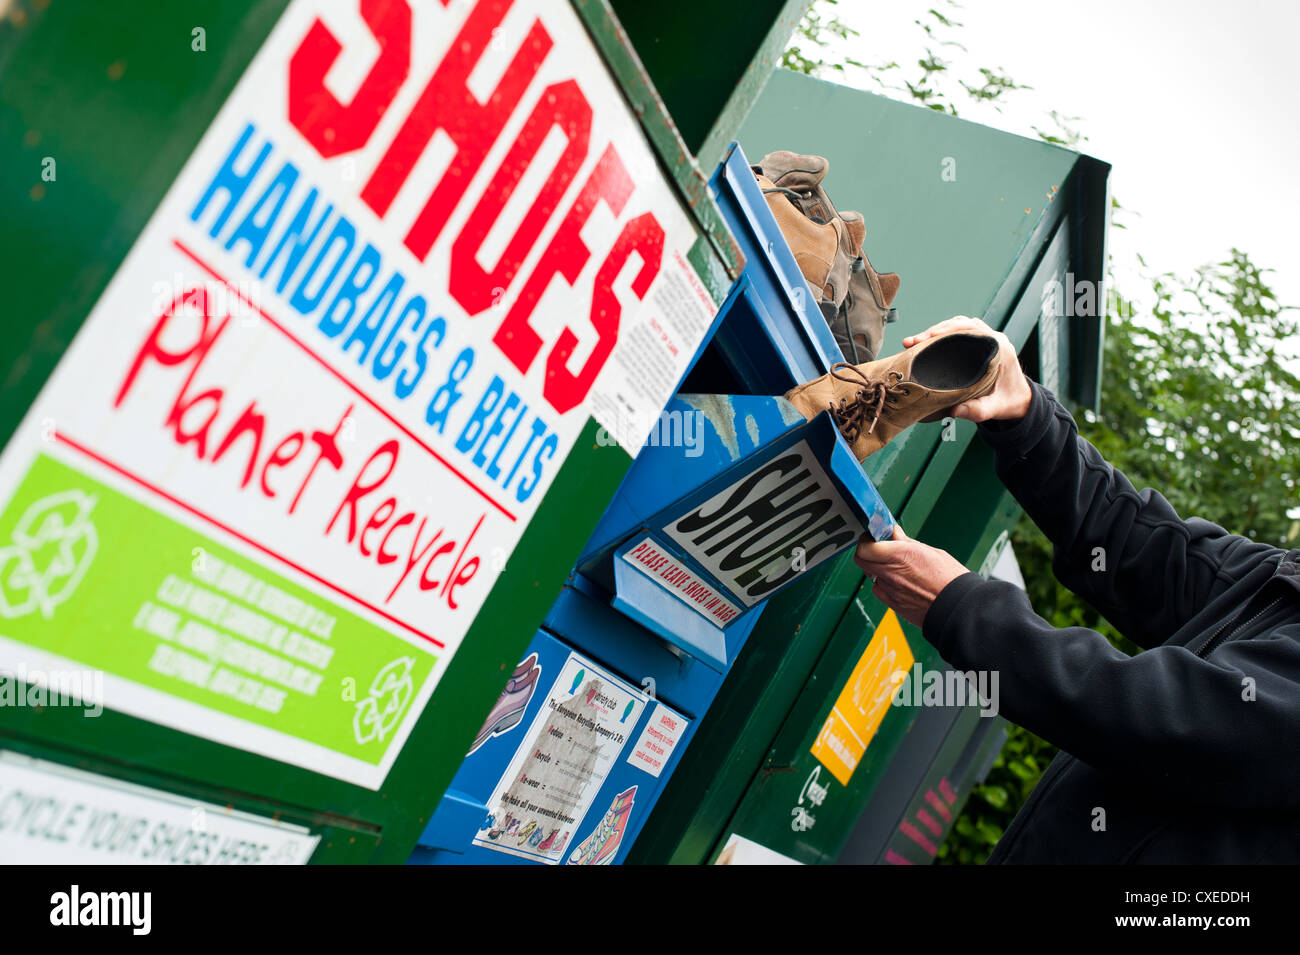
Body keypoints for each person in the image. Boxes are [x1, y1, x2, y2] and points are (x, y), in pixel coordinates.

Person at [854, 316, 1300, 864]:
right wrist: (1025, 414)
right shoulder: (1283, 586)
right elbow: (1139, 546)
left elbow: (1168, 719)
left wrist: (960, 608)